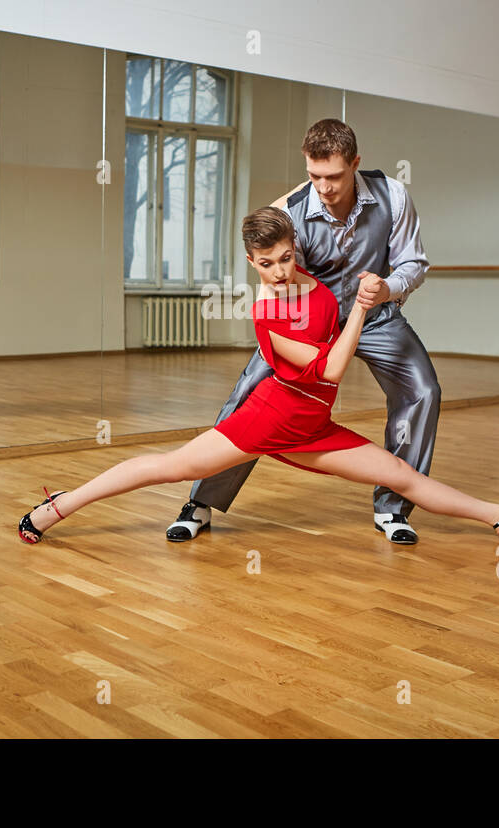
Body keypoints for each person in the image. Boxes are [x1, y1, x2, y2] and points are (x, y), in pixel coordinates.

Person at [17, 207, 499, 546]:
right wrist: (361, 312)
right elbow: (331, 367)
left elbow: (327, 359)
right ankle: (54, 508)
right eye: (265, 264)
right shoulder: (267, 314)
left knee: (399, 474)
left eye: (284, 257)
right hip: (267, 420)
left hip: (311, 426)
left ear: (293, 248)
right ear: (251, 262)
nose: (278, 271)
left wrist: (357, 301)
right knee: (165, 468)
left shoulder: (317, 288)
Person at [167, 118, 441, 545]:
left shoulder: (393, 195)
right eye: (314, 176)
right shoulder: (290, 209)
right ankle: (201, 502)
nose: (324, 187)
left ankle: (393, 508)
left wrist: (387, 287)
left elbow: (414, 263)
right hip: (308, 321)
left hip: (375, 316)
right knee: (247, 395)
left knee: (423, 390)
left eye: (334, 176)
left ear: (355, 164)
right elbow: (264, 262)